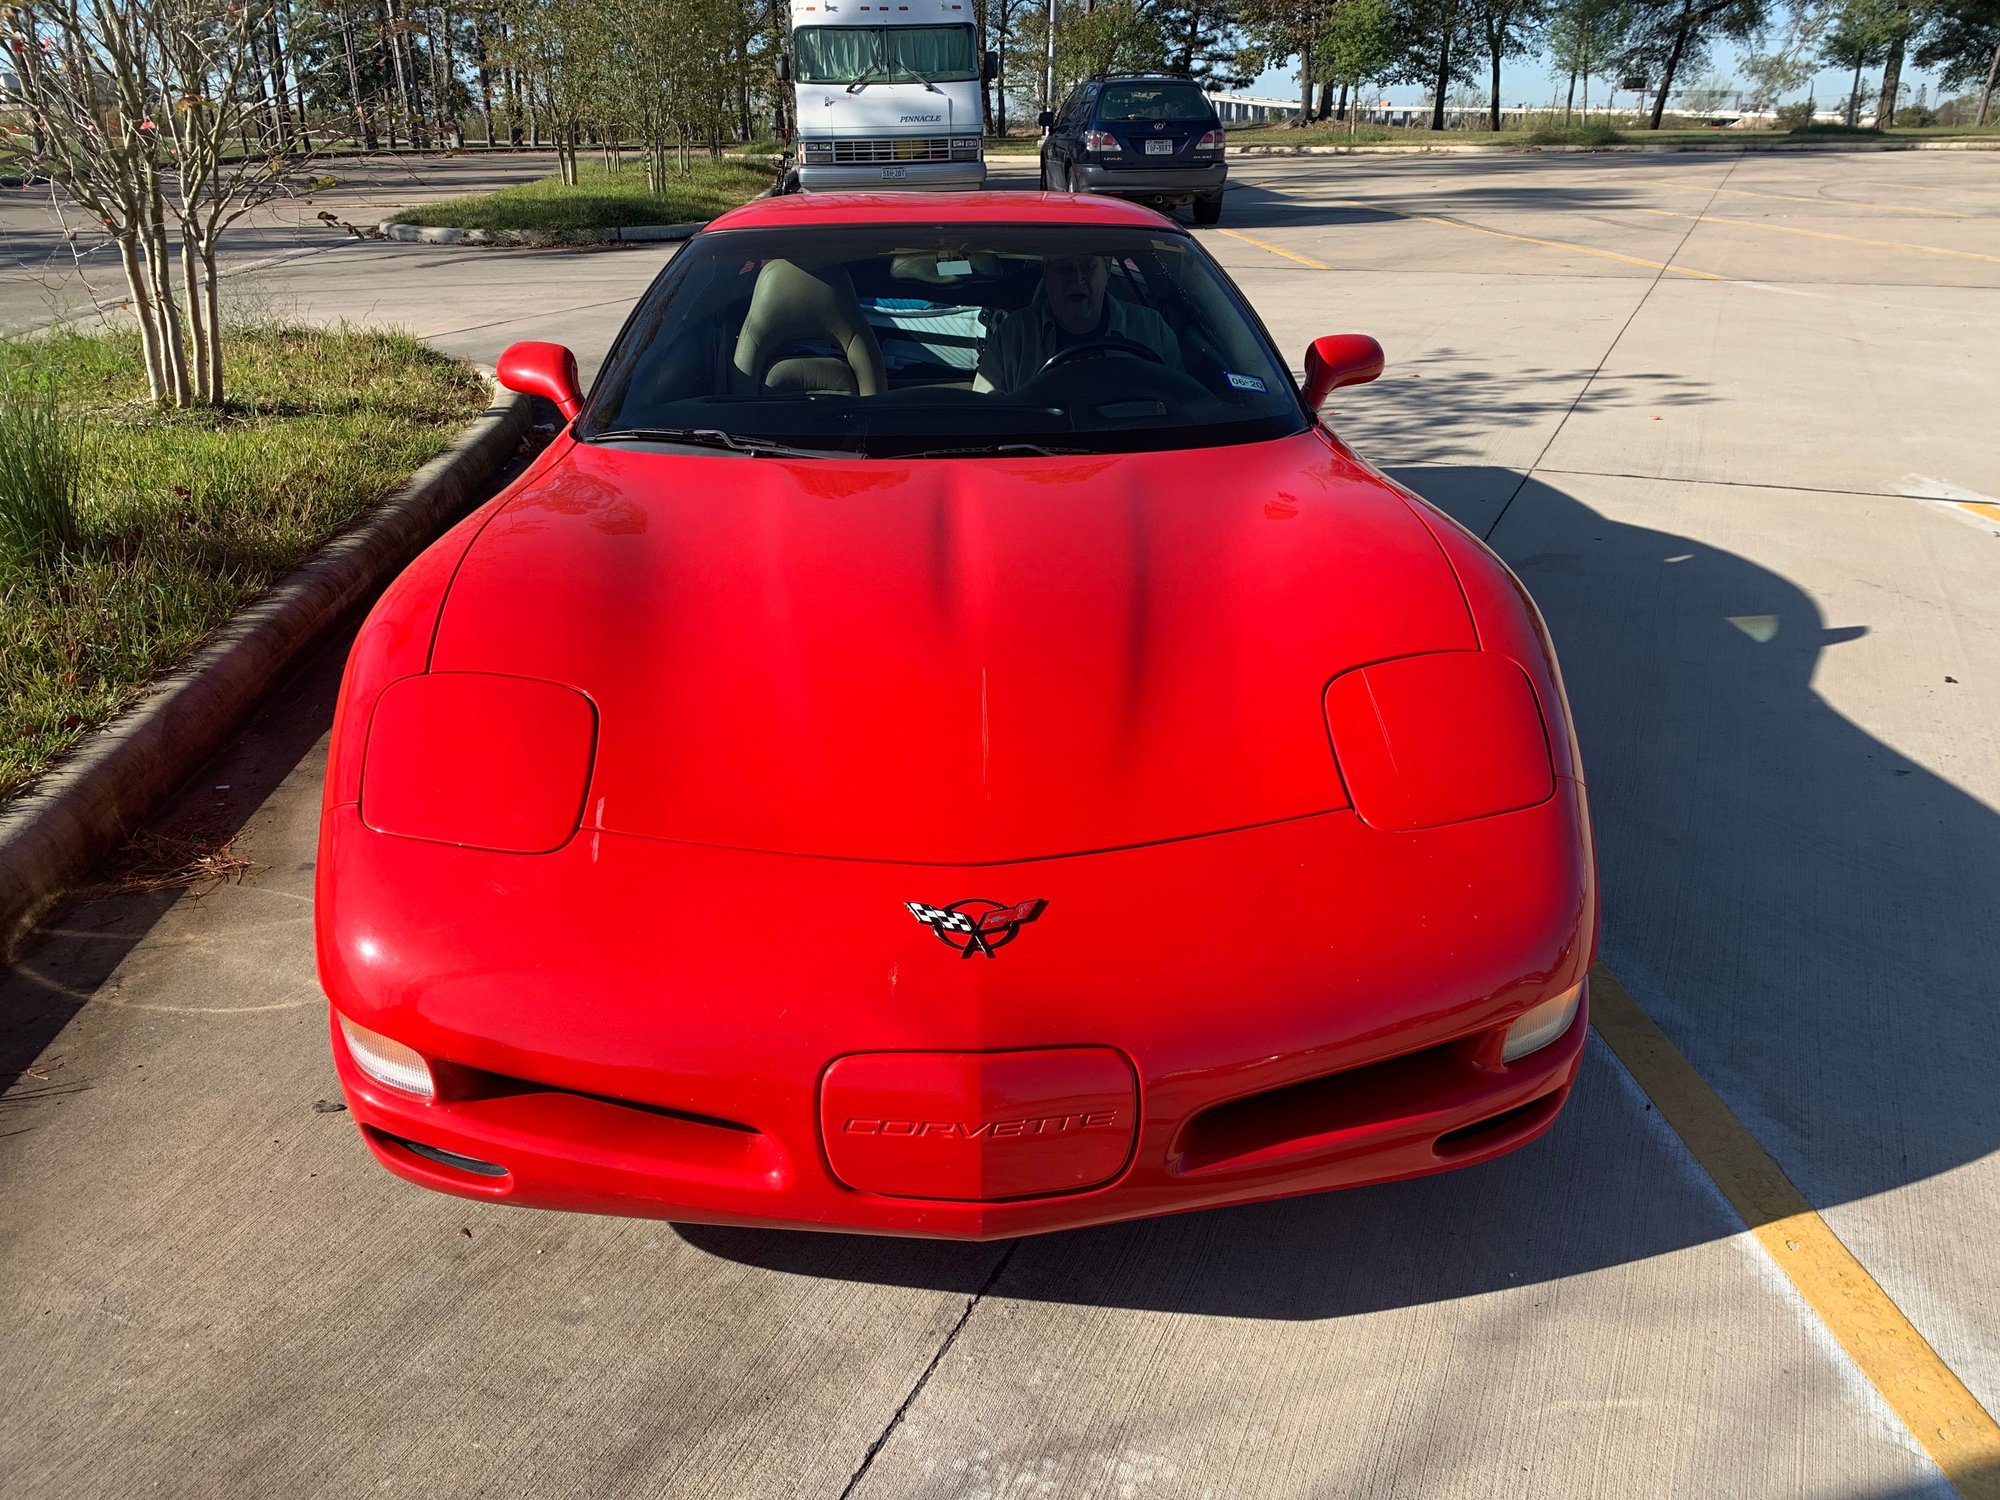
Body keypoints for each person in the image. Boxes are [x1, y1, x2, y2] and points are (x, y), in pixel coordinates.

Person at [974, 253, 1183, 393]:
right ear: (1046, 274)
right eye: (1064, 268)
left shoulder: (1153, 329)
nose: (1077, 278)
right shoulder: (1012, 336)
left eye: (1088, 266)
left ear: (1107, 270)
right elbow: (986, 418)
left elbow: (1184, 405)